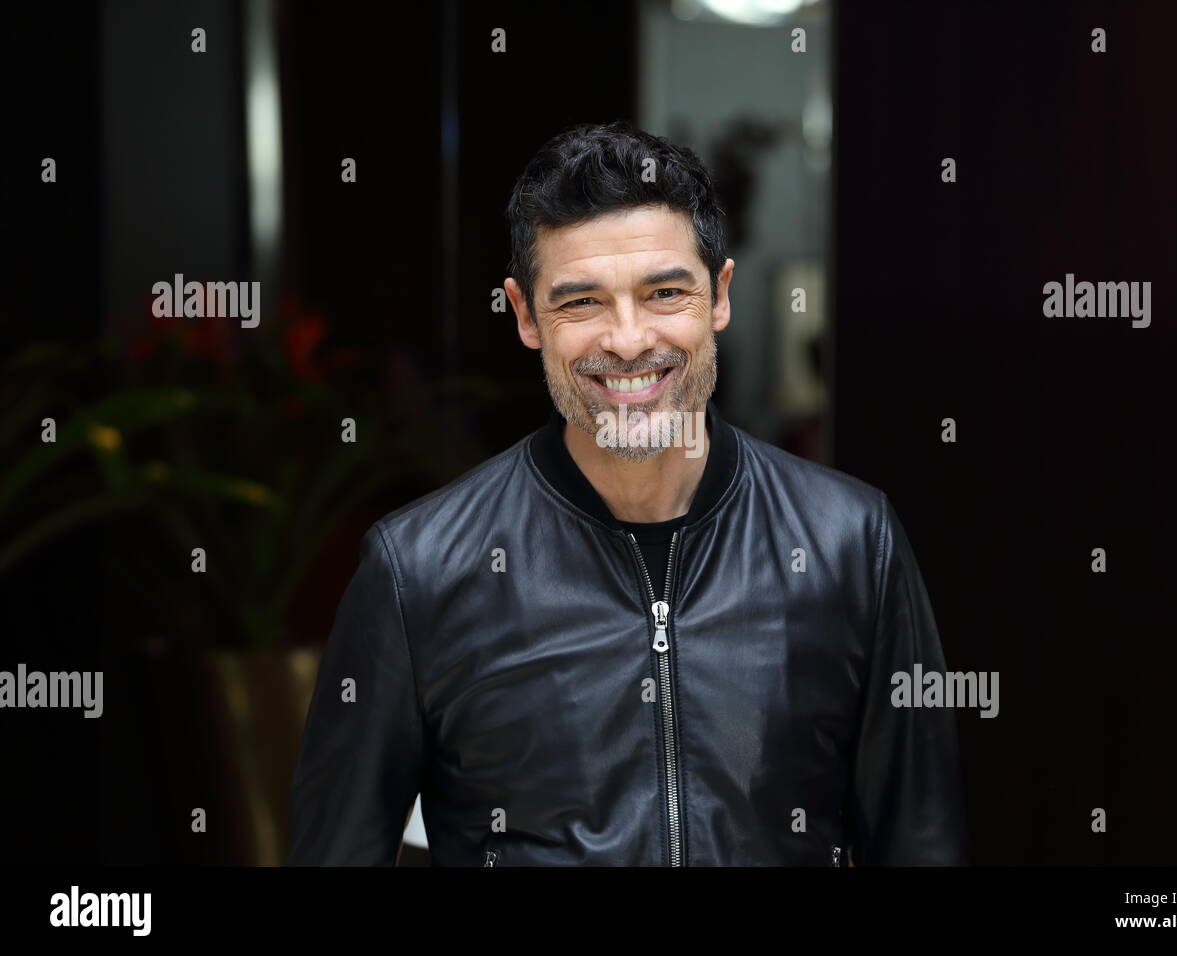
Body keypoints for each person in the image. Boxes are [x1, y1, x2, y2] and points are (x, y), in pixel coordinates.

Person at [287, 121, 970, 866]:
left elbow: (922, 841)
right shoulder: (418, 569)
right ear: (524, 315)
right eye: (581, 303)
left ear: (720, 296)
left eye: (665, 292)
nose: (628, 339)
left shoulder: (849, 541)